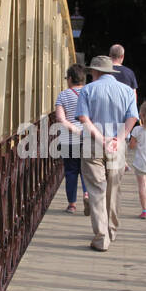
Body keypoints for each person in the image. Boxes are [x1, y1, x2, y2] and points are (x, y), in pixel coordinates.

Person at [76, 55, 139, 251]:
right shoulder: (127, 91)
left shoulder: (87, 90)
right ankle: (112, 230)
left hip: (92, 144)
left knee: (96, 190)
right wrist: (118, 139)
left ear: (95, 72)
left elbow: (84, 119)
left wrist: (100, 138)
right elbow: (132, 118)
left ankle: (101, 237)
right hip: (116, 145)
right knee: (113, 189)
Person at [54, 64, 89, 212]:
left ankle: (72, 205)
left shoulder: (63, 95)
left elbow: (60, 119)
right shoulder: (89, 93)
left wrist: (73, 129)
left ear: (69, 79)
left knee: (71, 172)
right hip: (88, 138)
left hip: (69, 140)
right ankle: (87, 194)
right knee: (87, 170)